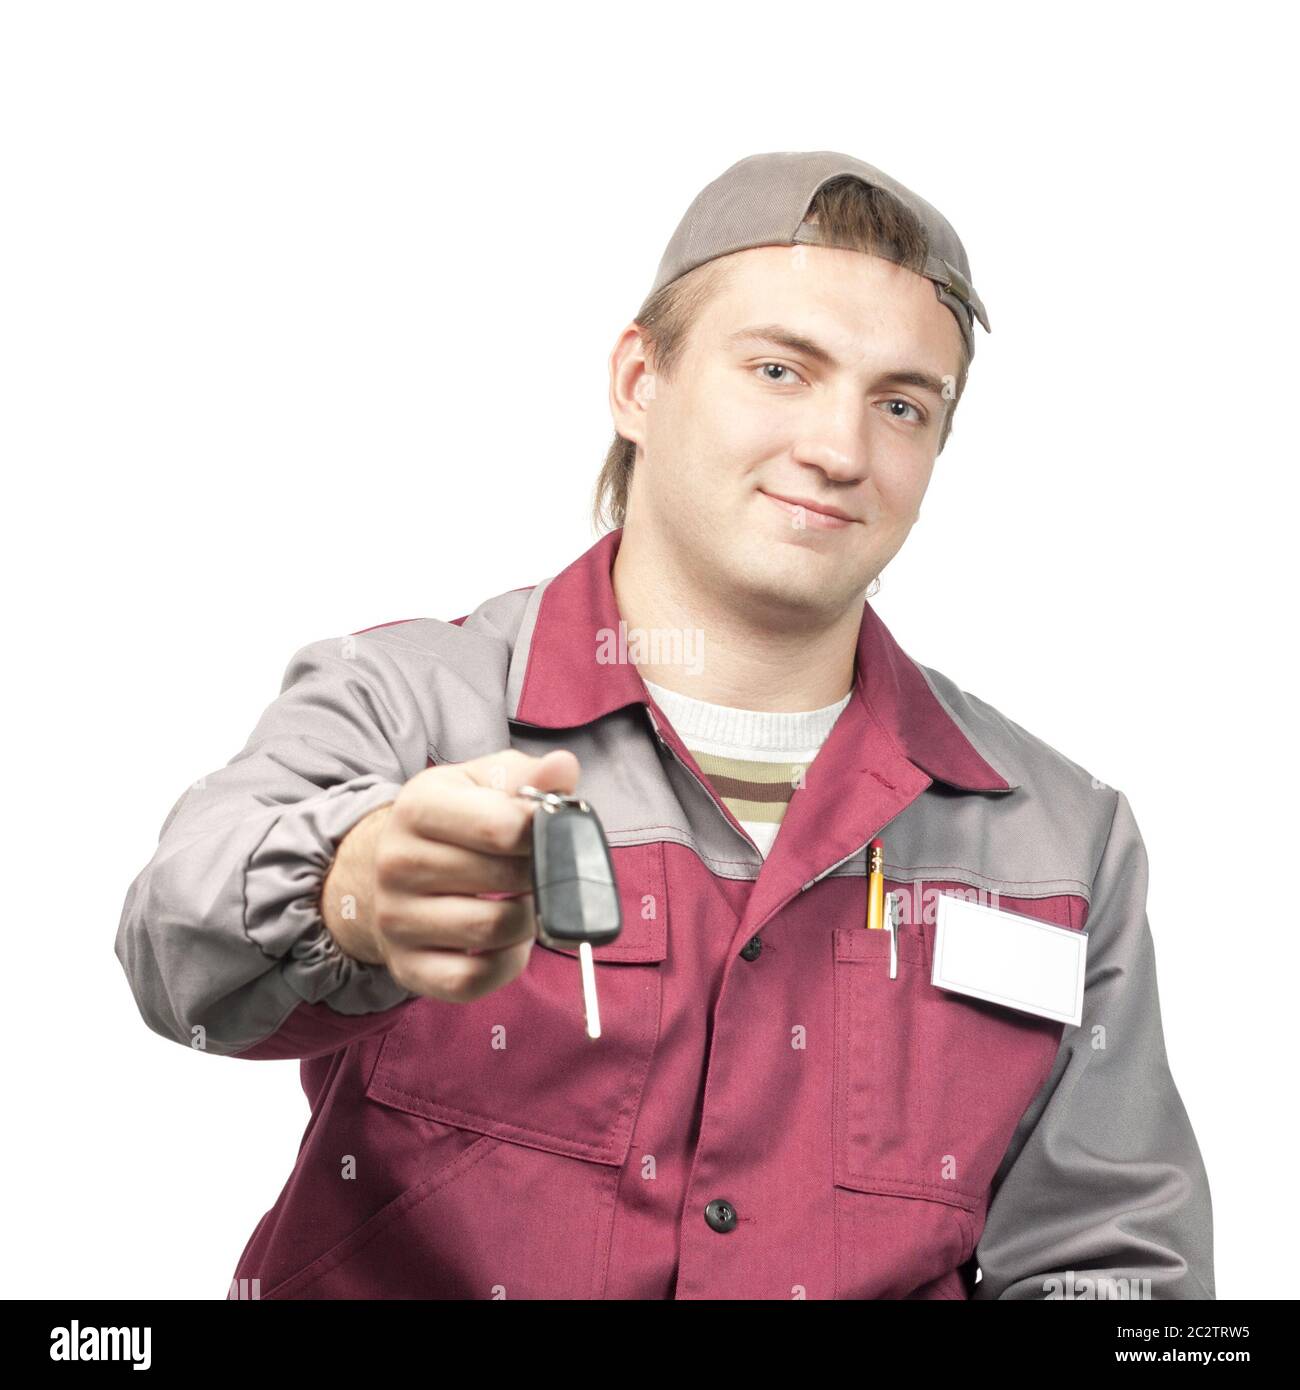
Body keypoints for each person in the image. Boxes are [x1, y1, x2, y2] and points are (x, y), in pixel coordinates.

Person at [116, 150, 1215, 1301]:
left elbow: (1114, 1265)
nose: (841, 450)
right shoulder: (405, 704)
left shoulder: (1058, 838)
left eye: (900, 403)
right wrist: (354, 888)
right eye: (782, 369)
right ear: (640, 380)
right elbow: (171, 947)